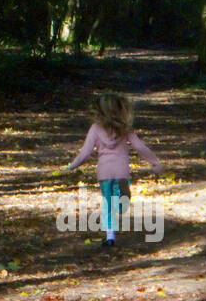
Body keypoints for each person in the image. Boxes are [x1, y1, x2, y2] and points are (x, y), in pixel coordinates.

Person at [62, 93, 162, 248]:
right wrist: (155, 162)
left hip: (104, 172)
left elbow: (86, 153)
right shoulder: (125, 129)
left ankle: (110, 236)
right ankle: (123, 198)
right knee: (121, 202)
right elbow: (140, 147)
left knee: (108, 205)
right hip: (122, 171)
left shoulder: (95, 129)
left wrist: (71, 166)